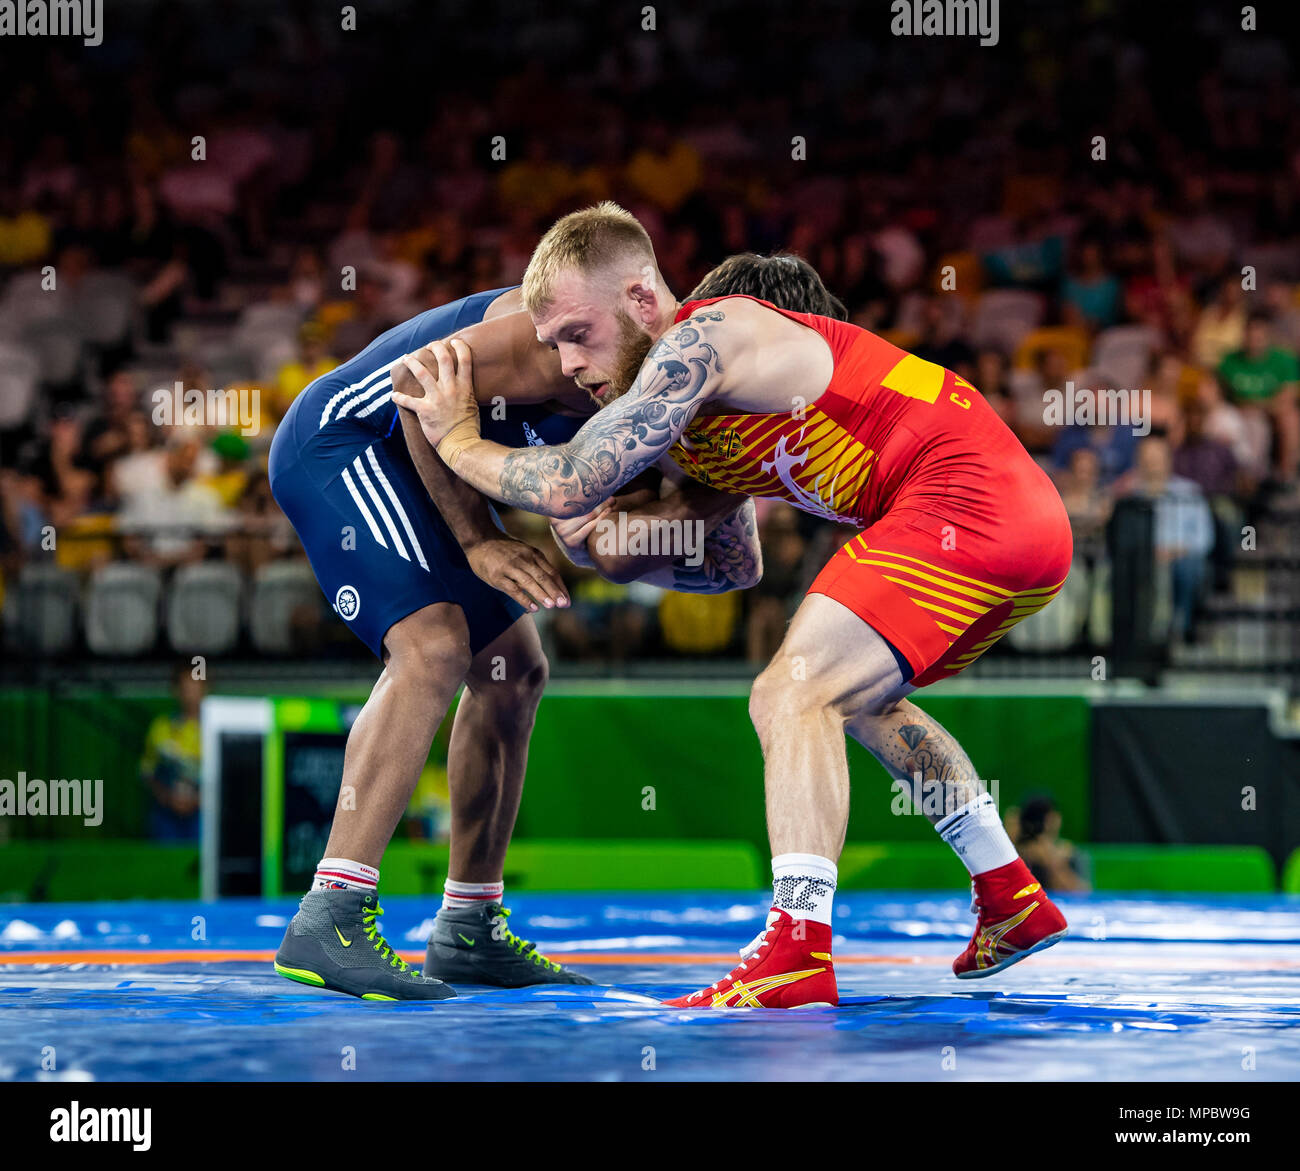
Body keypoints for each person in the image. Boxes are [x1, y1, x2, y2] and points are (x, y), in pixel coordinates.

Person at [396, 203, 1073, 1008]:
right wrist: (594, 542)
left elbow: (576, 473)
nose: (568, 364)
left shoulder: (706, 336)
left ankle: (795, 950)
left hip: (966, 500)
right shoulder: (707, 429)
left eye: (577, 334)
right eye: (553, 345)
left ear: (646, 300)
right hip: (1018, 527)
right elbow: (726, 562)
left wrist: (459, 440)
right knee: (859, 701)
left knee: (789, 692)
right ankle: (1009, 892)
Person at [268, 283, 759, 1001]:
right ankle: (330, 914)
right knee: (433, 648)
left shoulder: (688, 407)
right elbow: (413, 387)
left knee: (513, 671)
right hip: (346, 444)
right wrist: (477, 540)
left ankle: (468, 924)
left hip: (428, 474)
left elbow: (730, 567)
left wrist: (708, 494)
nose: (571, 364)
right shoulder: (554, 344)